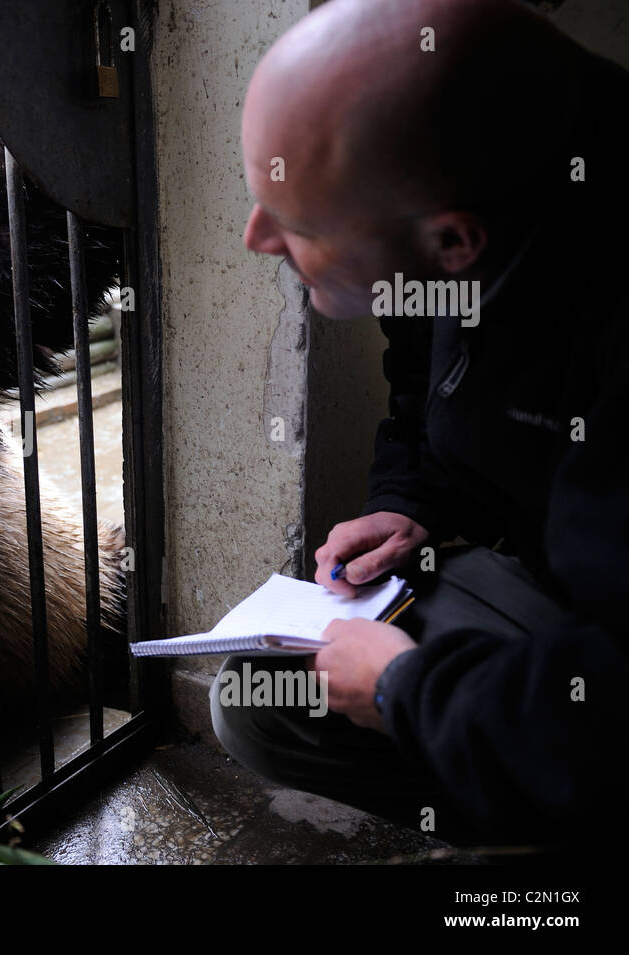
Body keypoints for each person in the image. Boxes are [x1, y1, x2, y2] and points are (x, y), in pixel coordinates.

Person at [212, 0, 628, 850]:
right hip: (564, 592)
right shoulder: (463, 191)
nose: (256, 238)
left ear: (454, 244)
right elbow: (424, 385)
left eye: (297, 223)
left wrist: (408, 687)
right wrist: (414, 502)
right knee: (262, 698)